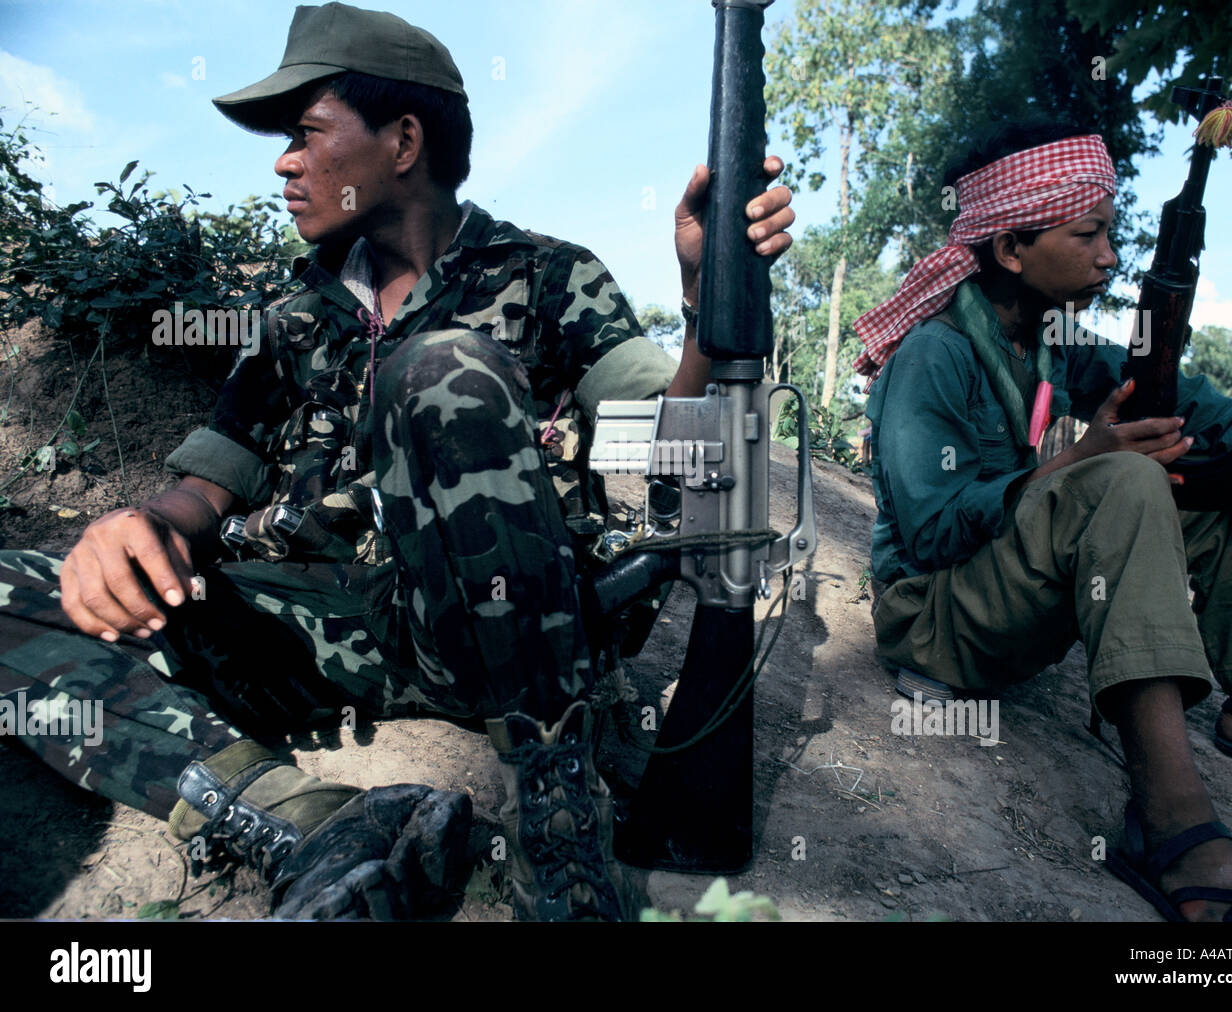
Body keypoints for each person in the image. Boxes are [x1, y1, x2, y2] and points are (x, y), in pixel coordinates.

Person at [0, 2, 794, 921]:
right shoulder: (294, 316)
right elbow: (205, 487)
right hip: (324, 628)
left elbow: (670, 448)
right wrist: (139, 534)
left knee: (443, 368)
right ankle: (301, 822)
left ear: (404, 139)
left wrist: (705, 300)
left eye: (304, 133)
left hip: (498, 633)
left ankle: (558, 820)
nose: (283, 161)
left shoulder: (545, 274)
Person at [858, 121, 1232, 922]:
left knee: (1210, 484)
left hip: (1002, 605)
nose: (1108, 256)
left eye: (1111, 233)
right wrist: (1075, 462)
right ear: (1011, 249)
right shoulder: (935, 354)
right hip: (933, 622)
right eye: (1087, 234)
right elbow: (928, 532)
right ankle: (1170, 823)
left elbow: (1207, 403)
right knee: (1128, 479)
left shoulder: (1059, 347)